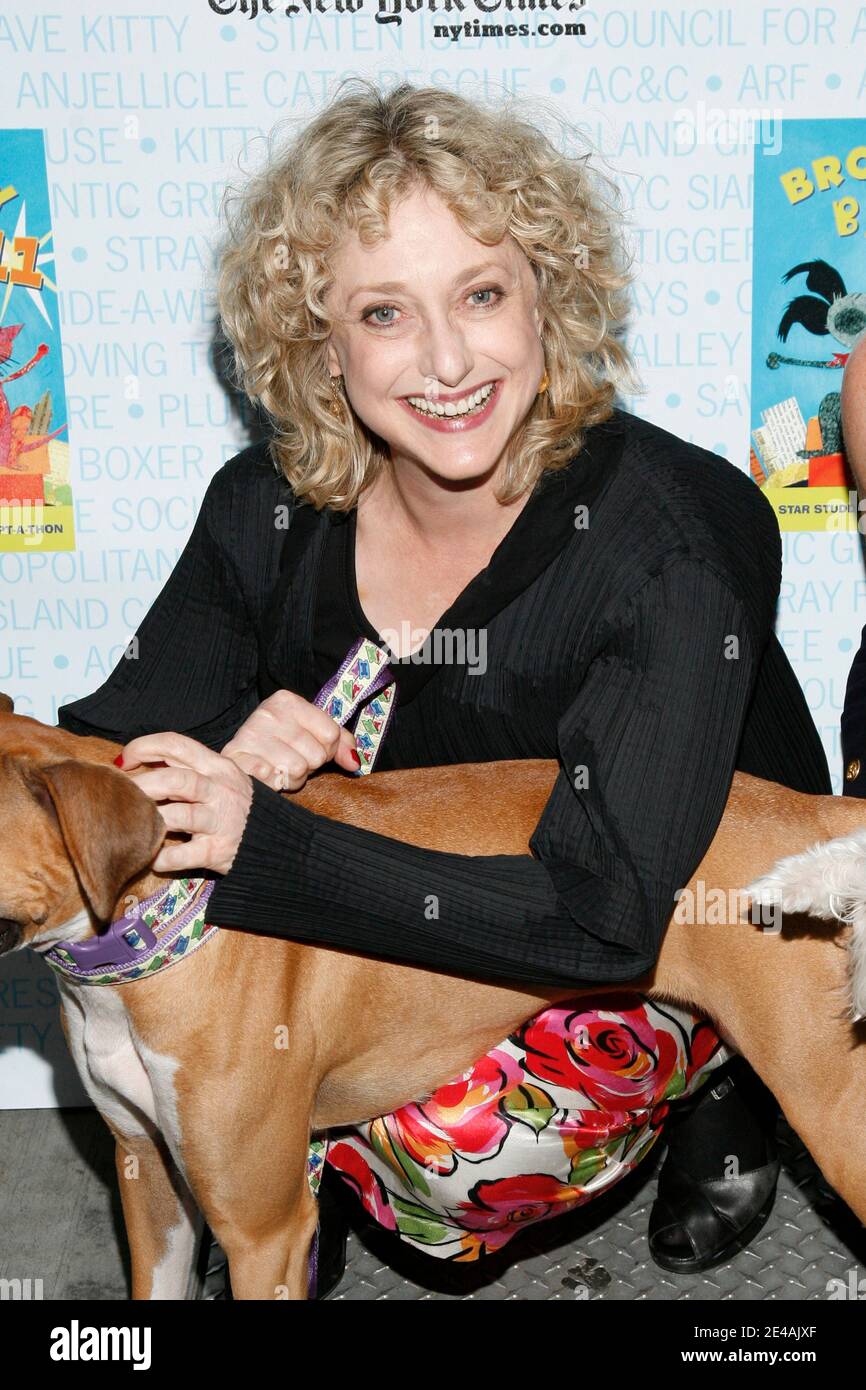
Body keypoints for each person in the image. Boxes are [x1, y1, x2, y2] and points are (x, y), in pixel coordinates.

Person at [56, 79, 831, 1293]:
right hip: (414, 906)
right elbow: (104, 743)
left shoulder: (670, 539)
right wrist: (216, 734)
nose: (447, 360)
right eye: (383, 313)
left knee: (449, 1148)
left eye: (481, 293)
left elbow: (606, 911)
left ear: (545, 297)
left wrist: (270, 844)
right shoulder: (259, 507)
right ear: (319, 342)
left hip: (697, 909)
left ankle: (721, 1076)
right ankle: (277, 1157)